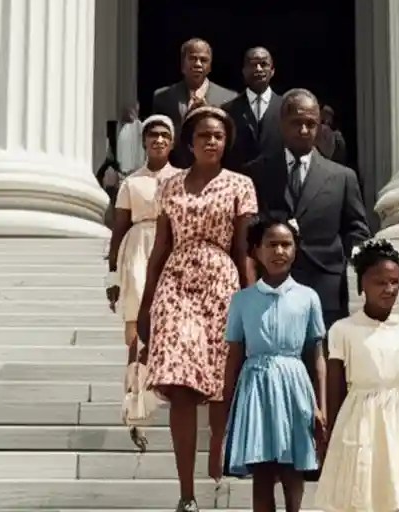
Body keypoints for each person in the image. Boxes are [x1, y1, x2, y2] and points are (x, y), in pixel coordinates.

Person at [137, 105, 257, 512]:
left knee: (221, 378)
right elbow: (159, 249)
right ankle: (186, 492)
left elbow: (244, 250)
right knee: (179, 381)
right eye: (203, 135)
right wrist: (145, 304)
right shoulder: (169, 186)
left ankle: (218, 455)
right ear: (189, 142)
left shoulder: (241, 184)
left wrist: (253, 300)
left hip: (221, 280)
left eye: (218, 136)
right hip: (176, 283)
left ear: (226, 143)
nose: (211, 141)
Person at [313, 237, 399, 512]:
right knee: (363, 499)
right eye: (380, 282)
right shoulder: (342, 330)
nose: (390, 289)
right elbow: (335, 392)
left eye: (395, 282)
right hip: (359, 423)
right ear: (362, 283)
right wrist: (330, 440)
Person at [222, 214, 327, 512]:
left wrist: (321, 406)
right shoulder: (242, 300)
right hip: (255, 387)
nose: (279, 251)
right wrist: (226, 402)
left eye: (286, 244)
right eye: (271, 244)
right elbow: (234, 354)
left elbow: (317, 357)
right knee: (263, 471)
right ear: (256, 249)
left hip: (295, 387)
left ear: (296, 249)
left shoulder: (308, 297)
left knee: (294, 468)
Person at [244, 89, 370, 332]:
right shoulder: (256, 173)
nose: (304, 130)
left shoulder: (342, 177)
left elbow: (356, 230)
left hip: (326, 289)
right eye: (296, 123)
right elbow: (248, 229)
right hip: (271, 286)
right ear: (282, 124)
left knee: (322, 365)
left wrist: (358, 258)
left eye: (311, 124)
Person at [105, 115, 178, 450]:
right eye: (152, 136)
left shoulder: (182, 180)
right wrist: (111, 275)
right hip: (137, 252)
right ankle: (135, 409)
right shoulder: (130, 182)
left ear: (172, 142)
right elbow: (118, 230)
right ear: (144, 142)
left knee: (169, 329)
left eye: (165, 135)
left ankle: (166, 395)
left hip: (172, 256)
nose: (159, 140)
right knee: (137, 332)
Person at [151, 38, 238, 168]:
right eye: (192, 58)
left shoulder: (228, 99)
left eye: (203, 60)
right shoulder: (163, 97)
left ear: (210, 66)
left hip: (214, 174)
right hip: (176, 172)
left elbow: (231, 144)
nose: (198, 64)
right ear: (182, 64)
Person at [223, 47, 282, 171]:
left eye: (263, 64)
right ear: (244, 71)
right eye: (253, 65)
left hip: (277, 183)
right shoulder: (228, 110)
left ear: (272, 71)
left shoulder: (285, 108)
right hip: (239, 183)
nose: (258, 69)